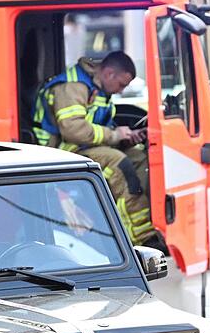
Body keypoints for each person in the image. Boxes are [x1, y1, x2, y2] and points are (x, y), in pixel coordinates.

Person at [31, 51, 162, 251]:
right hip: (59, 151)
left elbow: (98, 126)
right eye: (121, 85)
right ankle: (142, 238)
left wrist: (126, 138)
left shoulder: (98, 88)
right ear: (109, 73)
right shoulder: (73, 87)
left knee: (140, 158)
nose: (121, 91)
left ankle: (146, 223)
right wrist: (115, 135)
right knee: (119, 163)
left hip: (84, 147)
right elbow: (73, 130)